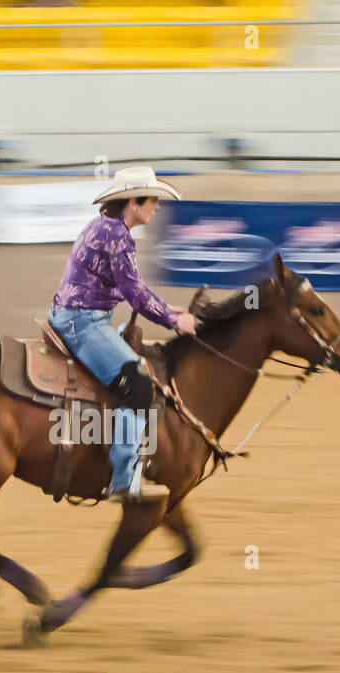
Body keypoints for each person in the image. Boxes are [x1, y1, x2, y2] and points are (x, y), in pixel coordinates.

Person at [48, 166, 197, 503]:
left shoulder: (104, 228)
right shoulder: (118, 236)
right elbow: (134, 293)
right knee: (139, 383)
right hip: (83, 322)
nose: (157, 207)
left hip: (77, 316)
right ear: (134, 201)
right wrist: (175, 323)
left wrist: (167, 309)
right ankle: (123, 478)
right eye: (153, 200)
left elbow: (134, 288)